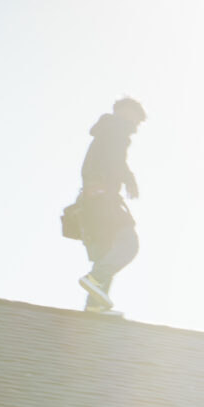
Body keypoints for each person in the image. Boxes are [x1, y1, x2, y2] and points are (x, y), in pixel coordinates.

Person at [73, 97, 145, 313]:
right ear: (126, 112)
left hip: (91, 202)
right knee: (128, 243)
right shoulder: (116, 129)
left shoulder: (106, 131)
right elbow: (115, 160)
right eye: (137, 120)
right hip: (103, 200)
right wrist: (128, 179)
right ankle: (95, 280)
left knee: (107, 253)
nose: (136, 126)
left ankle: (94, 306)